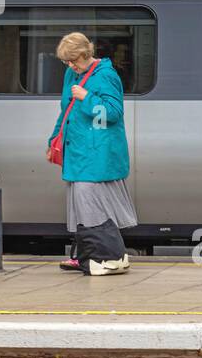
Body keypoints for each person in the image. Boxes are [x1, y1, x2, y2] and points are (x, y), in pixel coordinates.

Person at [47, 32, 136, 274]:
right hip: (77, 149)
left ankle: (110, 257)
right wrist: (54, 139)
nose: (70, 65)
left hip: (98, 151)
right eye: (66, 61)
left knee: (91, 202)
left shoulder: (106, 75)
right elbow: (66, 110)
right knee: (81, 205)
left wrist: (87, 98)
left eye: (73, 60)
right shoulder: (72, 74)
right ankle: (87, 257)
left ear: (86, 54)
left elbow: (113, 113)